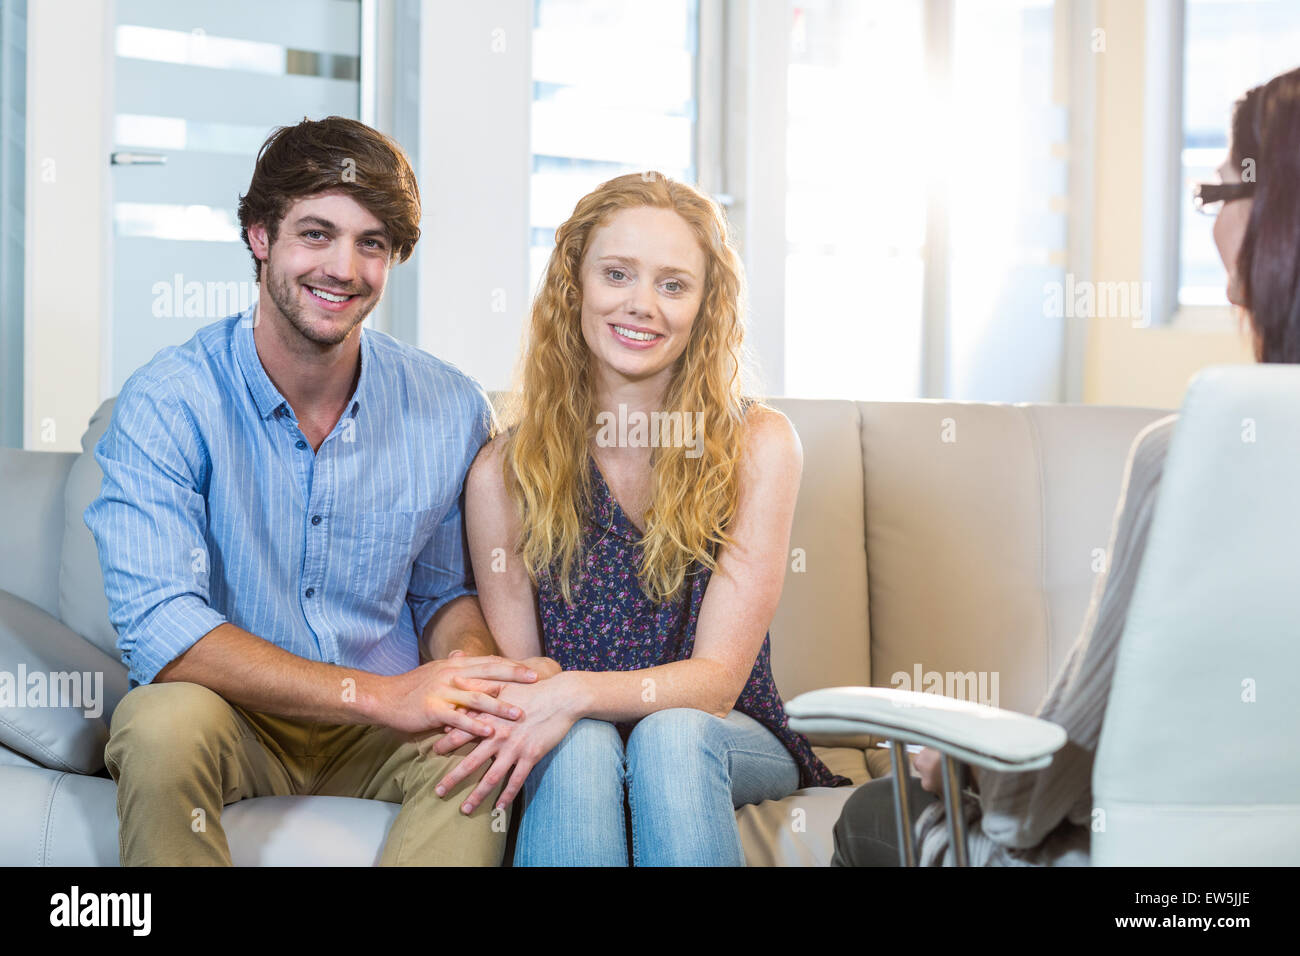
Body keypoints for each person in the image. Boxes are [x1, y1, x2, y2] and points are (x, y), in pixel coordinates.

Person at [831, 65, 1300, 866]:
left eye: (1217, 196)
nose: (1211, 224)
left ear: (1276, 217)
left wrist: (969, 763)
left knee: (874, 815)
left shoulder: (1193, 452)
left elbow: (1038, 795)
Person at [85, 116, 545, 866]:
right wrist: (377, 694)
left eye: (372, 244)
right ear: (260, 236)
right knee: (158, 725)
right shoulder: (169, 401)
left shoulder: (449, 408)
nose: (343, 267)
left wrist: (460, 674)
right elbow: (162, 629)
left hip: (385, 733)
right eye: (317, 234)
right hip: (231, 715)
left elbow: (444, 593)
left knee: (479, 744)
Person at [424, 172, 852, 866]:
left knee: (670, 733)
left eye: (673, 284)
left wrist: (576, 694)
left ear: (705, 306)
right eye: (617, 274)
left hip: (723, 731)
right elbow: (526, 679)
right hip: (573, 735)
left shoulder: (758, 445)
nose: (641, 305)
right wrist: (569, 705)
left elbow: (714, 682)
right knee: (580, 741)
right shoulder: (503, 471)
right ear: (575, 286)